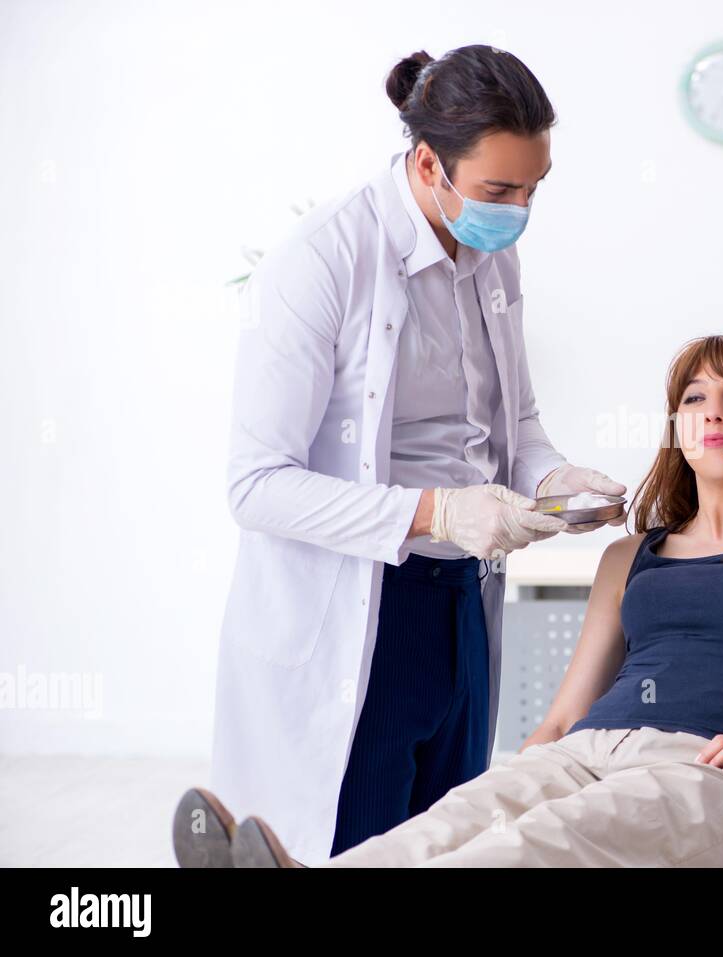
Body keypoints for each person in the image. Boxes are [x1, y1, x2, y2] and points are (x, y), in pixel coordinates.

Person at [175, 333, 723, 867]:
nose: (713, 409)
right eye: (694, 395)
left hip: (705, 777)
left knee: (528, 846)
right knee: (449, 822)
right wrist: (520, 766)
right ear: (676, 425)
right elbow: (561, 713)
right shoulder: (629, 554)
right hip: (586, 751)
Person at [199, 46, 624, 869]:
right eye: (500, 190)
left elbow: (518, 419)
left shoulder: (494, 253)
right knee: (361, 840)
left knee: (448, 838)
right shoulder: (322, 261)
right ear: (429, 162)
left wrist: (551, 476)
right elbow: (256, 485)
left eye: (535, 188)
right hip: (364, 605)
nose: (519, 209)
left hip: (462, 594)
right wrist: (435, 511)